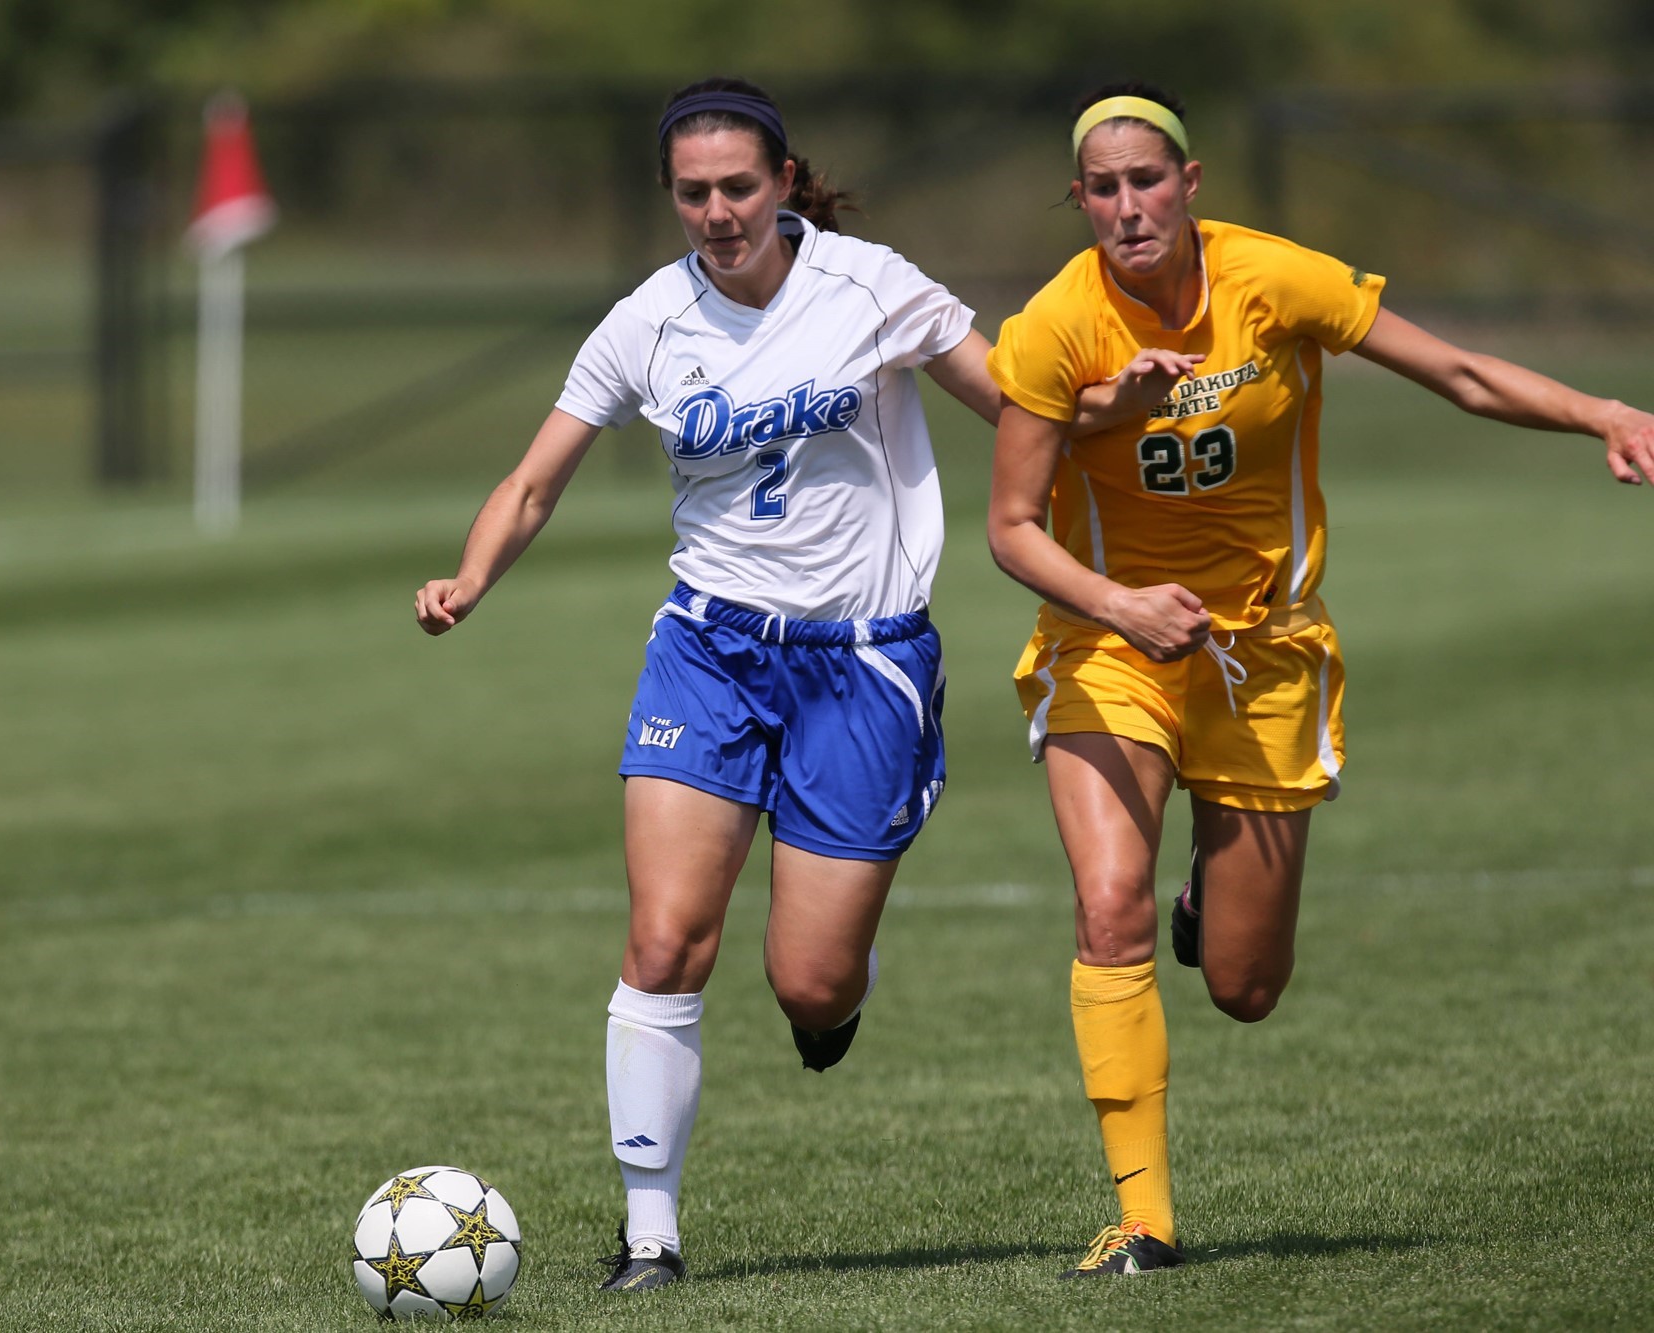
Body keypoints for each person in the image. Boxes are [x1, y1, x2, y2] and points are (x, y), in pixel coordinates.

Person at [414, 76, 1158, 1292]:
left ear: (782, 181)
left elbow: (1009, 402)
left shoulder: (871, 284)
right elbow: (534, 478)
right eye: (693, 192)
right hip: (705, 649)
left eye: (737, 187)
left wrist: (1103, 408)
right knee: (662, 940)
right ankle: (648, 1237)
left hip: (862, 664)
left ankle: (834, 996)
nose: (716, 212)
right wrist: (469, 574)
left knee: (807, 982)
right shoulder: (644, 321)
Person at [984, 82, 1654, 1279]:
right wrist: (1118, 601)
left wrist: (1595, 407)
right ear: (1078, 200)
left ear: (1190, 187)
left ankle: (1212, 895)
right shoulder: (1050, 325)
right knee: (1104, 905)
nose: (1127, 207)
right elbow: (1010, 526)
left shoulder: (1269, 277)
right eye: (1102, 187)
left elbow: (1453, 372)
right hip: (1107, 642)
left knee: (1243, 986)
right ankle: (1142, 1219)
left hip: (1264, 651)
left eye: (1148, 181)